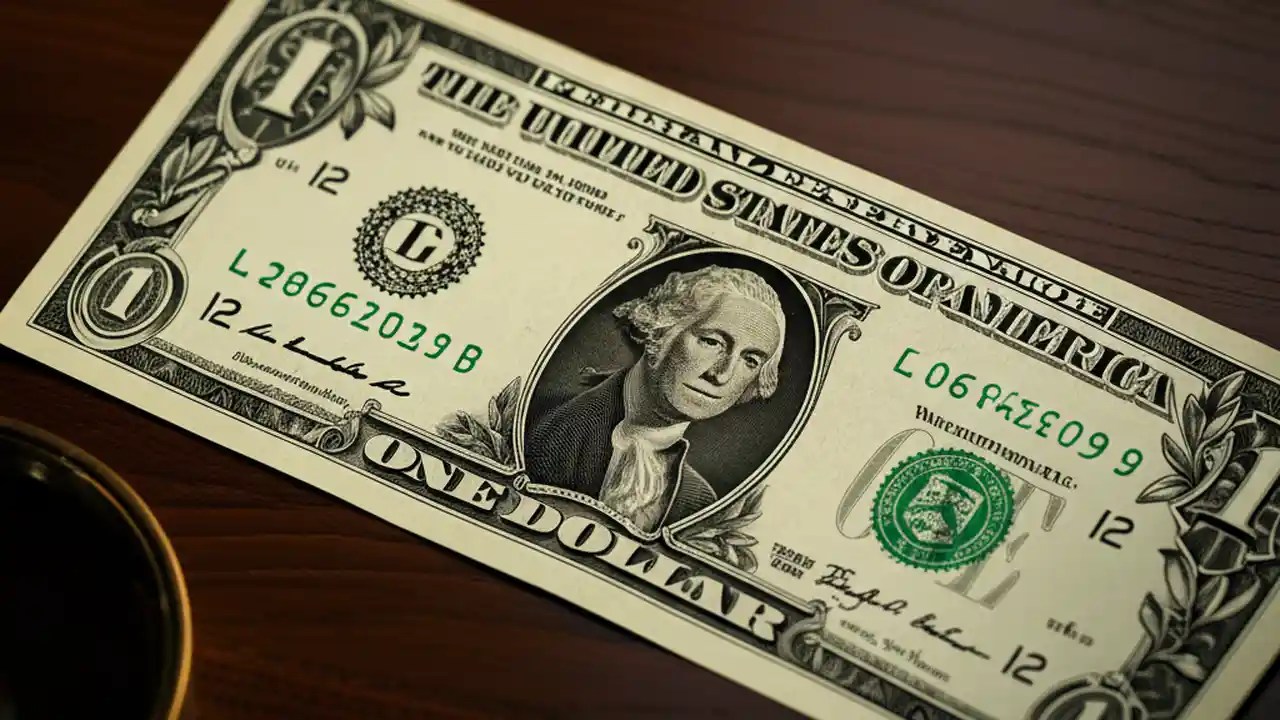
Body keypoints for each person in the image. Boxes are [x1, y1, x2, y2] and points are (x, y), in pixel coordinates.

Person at [525, 265, 786, 534]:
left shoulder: (698, 501)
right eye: (712, 342)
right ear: (661, 329)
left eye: (750, 360)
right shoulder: (537, 420)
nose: (721, 375)